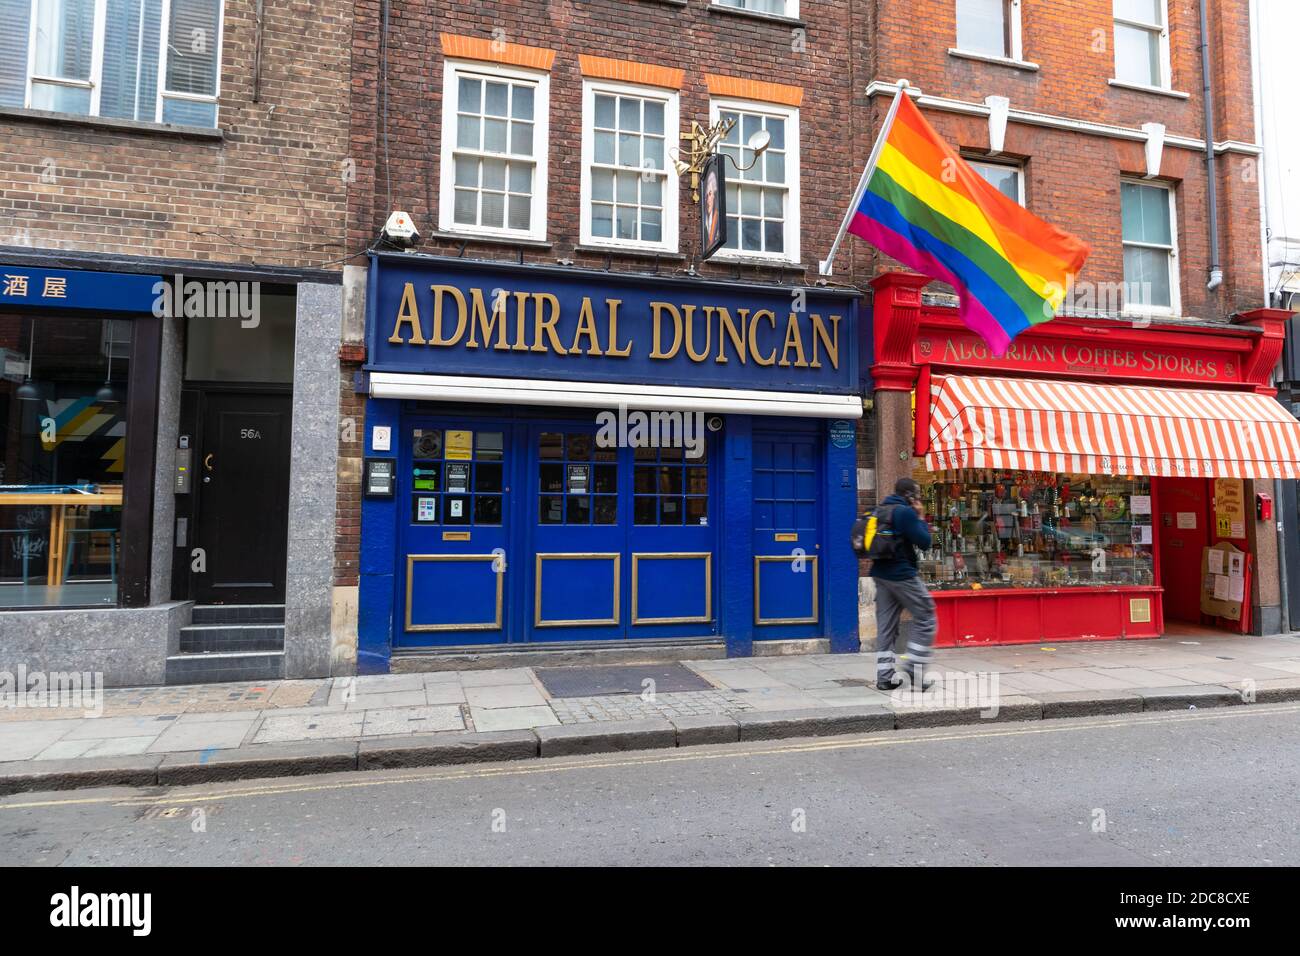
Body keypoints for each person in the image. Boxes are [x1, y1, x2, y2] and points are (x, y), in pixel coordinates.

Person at [868, 477, 937, 691]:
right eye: (916, 494)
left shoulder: (879, 510)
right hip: (902, 574)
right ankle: (914, 669)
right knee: (926, 617)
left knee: (886, 628)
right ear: (909, 495)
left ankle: (885, 676)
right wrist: (921, 516)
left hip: (880, 574)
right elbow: (924, 542)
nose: (918, 498)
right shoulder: (905, 512)